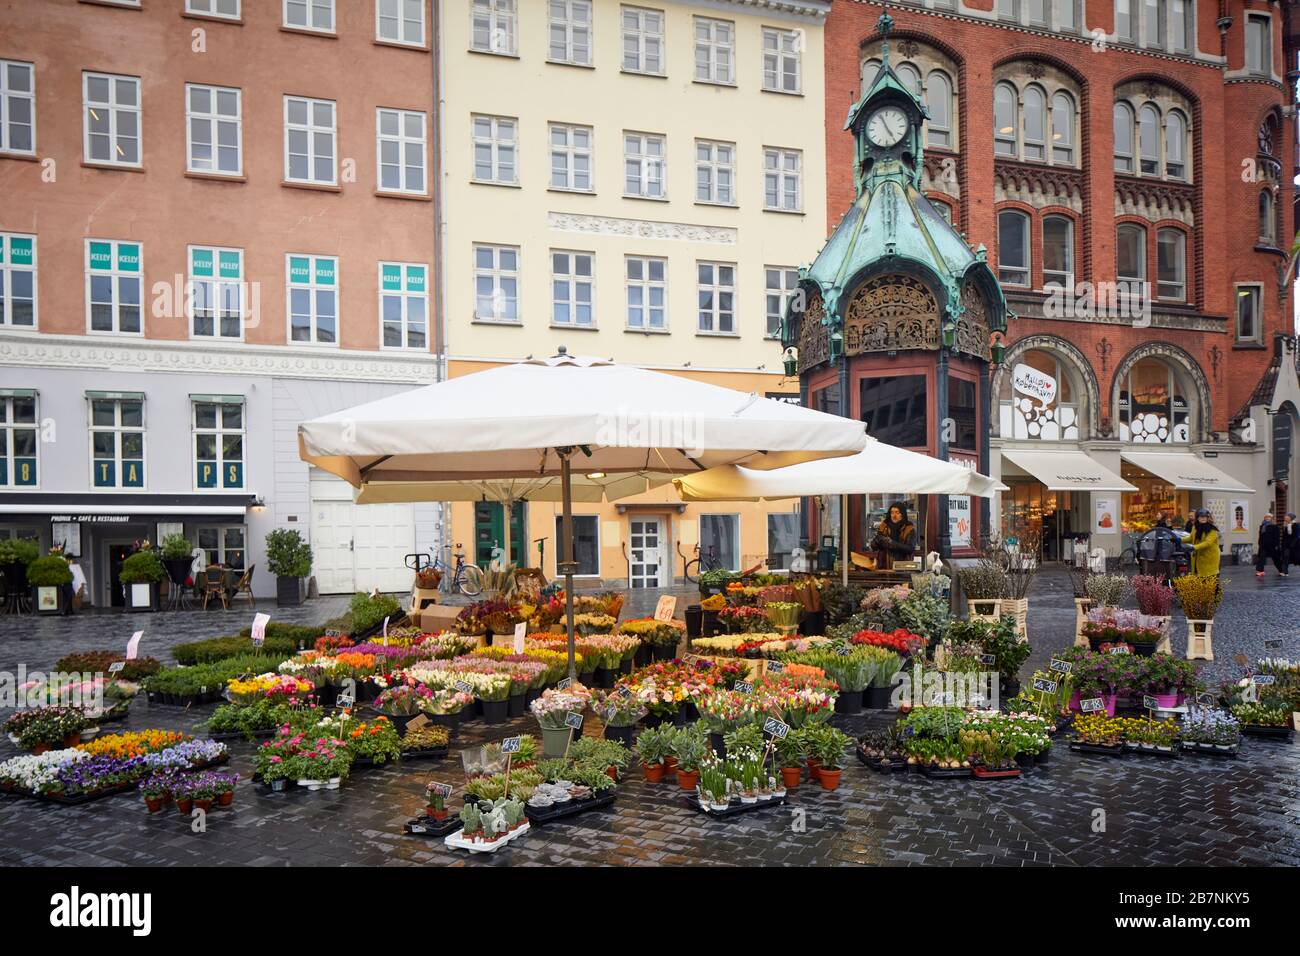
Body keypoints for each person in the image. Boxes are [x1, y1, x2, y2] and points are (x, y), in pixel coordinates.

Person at [870, 501, 916, 569]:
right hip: (884, 567)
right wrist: (876, 541)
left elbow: (910, 548)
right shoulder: (884, 526)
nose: (894, 515)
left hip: (902, 568)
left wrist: (891, 543)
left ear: (902, 514)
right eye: (892, 512)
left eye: (897, 512)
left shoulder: (909, 528)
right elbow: (874, 547)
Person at [1189, 508, 1221, 578]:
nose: (1203, 518)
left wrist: (1194, 547)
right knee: (1199, 581)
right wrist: (1178, 539)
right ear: (1197, 518)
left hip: (1209, 559)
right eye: (1201, 516)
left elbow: (1208, 543)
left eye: (1205, 516)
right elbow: (1191, 538)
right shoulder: (1195, 527)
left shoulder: (1212, 529)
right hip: (1198, 559)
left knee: (1211, 584)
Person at [1255, 512, 1285, 577]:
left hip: (1272, 545)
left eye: (1269, 517)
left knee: (1276, 559)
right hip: (1263, 545)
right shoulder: (1262, 526)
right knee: (1261, 558)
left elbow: (1277, 537)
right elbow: (1261, 535)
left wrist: (1276, 545)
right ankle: (1260, 571)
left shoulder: (1274, 526)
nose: (1267, 518)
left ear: (1271, 518)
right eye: (1266, 517)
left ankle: (1282, 570)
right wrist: (1259, 542)